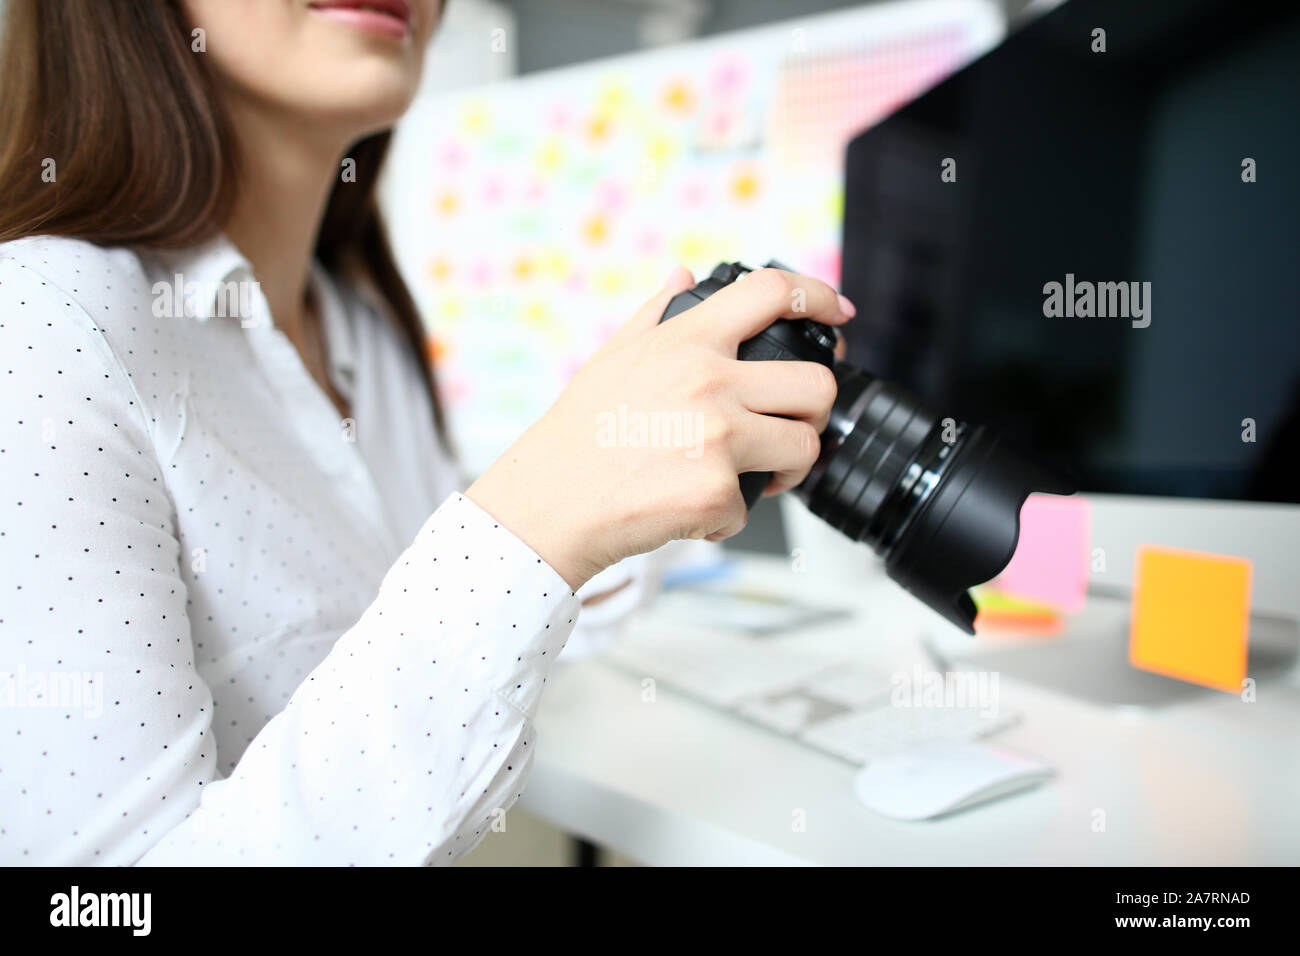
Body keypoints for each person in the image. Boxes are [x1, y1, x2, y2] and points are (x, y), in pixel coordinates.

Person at [0, 0, 851, 865]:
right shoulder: (39, 328)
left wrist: (642, 496)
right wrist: (541, 514)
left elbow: (454, 655)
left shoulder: (360, 327)